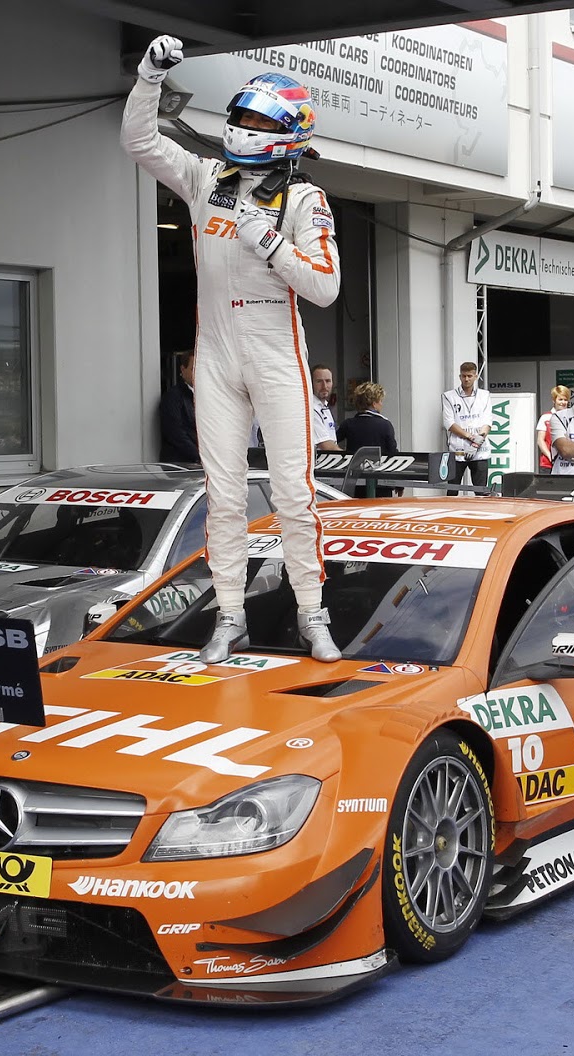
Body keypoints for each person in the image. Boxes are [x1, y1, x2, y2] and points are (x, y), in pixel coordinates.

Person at [122, 35, 342, 663]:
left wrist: (270, 244)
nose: (241, 128)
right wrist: (147, 79)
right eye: (239, 116)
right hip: (214, 354)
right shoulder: (204, 177)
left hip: (277, 353)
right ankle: (228, 615)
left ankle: (312, 613)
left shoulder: (306, 199)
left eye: (256, 121)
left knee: (294, 494)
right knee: (222, 494)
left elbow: (325, 288)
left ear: (286, 134)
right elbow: (139, 142)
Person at [336, 381, 399, 497]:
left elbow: (331, 443)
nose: (382, 404)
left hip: (354, 482)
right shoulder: (385, 425)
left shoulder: (348, 424)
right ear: (374, 403)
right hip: (381, 482)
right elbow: (393, 454)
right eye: (380, 401)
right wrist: (399, 484)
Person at [442, 361, 492, 493]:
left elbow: (487, 422)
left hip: (480, 450)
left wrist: (476, 443)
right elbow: (449, 423)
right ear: (460, 376)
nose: (466, 379)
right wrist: (470, 437)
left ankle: (480, 514)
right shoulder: (449, 396)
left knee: (481, 491)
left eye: (470, 376)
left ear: (475, 376)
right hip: (457, 449)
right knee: (452, 491)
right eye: (464, 376)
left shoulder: (484, 395)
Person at [159, 349, 199, 464]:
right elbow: (176, 434)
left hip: (202, 465)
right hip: (180, 467)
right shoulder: (173, 397)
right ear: (183, 369)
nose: (198, 373)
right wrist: (200, 456)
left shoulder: (208, 397)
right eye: (193, 369)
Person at [535, 384, 571, 472]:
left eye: (565, 400)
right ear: (554, 400)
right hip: (547, 464)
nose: (563, 402)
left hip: (567, 464)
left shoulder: (572, 418)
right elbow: (540, 440)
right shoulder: (545, 417)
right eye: (560, 399)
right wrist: (550, 457)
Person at [310, 364, 341, 452]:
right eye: (319, 381)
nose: (324, 386)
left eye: (328, 381)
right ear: (311, 383)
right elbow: (326, 446)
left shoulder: (324, 407)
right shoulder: (311, 409)